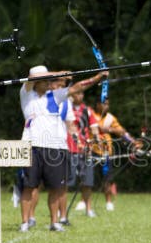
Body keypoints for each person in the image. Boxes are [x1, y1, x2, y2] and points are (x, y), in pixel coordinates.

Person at [19, 65, 107, 232]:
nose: (48, 83)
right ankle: (25, 222)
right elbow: (33, 77)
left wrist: (97, 78)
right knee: (29, 186)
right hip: (32, 145)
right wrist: (58, 74)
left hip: (56, 147)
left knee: (56, 187)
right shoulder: (27, 94)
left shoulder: (56, 96)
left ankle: (55, 222)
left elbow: (78, 87)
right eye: (45, 81)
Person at [90, 98, 142, 211]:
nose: (106, 106)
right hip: (91, 151)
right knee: (88, 178)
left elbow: (121, 131)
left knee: (107, 178)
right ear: (98, 104)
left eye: (108, 104)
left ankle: (108, 202)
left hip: (106, 152)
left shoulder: (110, 118)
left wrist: (133, 142)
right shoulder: (91, 114)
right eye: (104, 104)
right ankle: (84, 203)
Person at [63, 89, 100, 218]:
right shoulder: (66, 108)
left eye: (81, 93)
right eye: (77, 93)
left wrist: (96, 138)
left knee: (87, 181)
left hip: (86, 150)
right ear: (72, 95)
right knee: (67, 181)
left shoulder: (87, 110)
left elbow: (94, 126)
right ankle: (61, 210)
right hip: (69, 149)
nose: (80, 95)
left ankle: (89, 209)